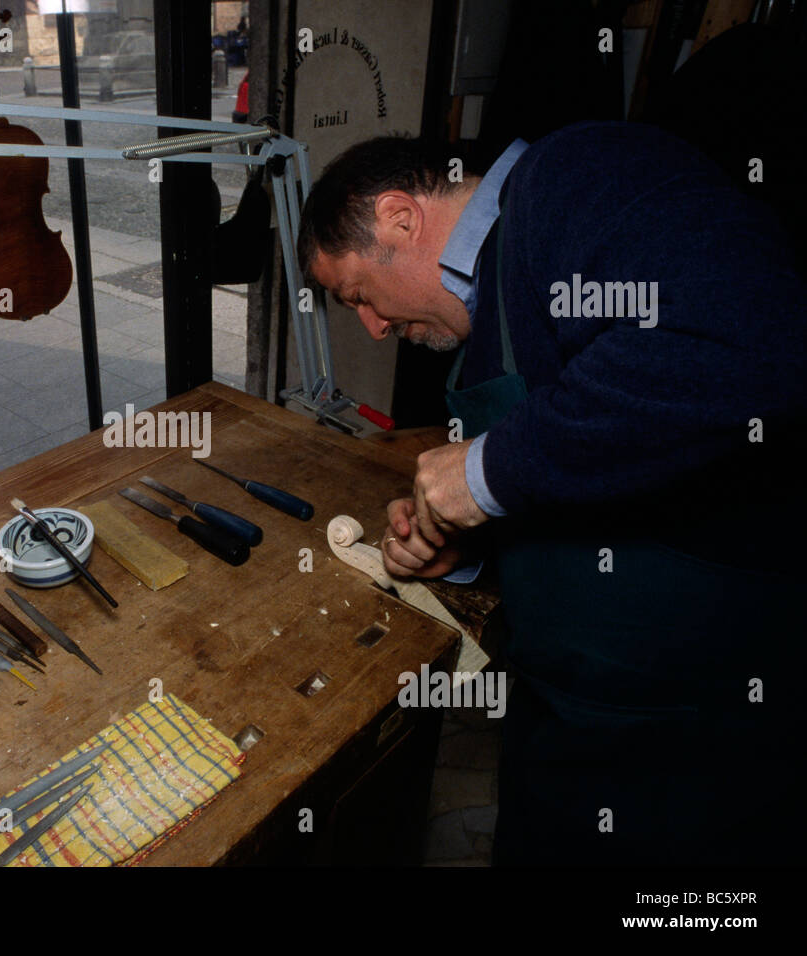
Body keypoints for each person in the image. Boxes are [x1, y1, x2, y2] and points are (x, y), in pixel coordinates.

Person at [296, 124, 806, 866]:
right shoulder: (483, 317)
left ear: (400, 218)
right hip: (570, 719)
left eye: (359, 296)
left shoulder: (580, 179)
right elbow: (597, 475)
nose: (372, 329)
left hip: (694, 729)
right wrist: (463, 547)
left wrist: (486, 472)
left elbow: (740, 343)